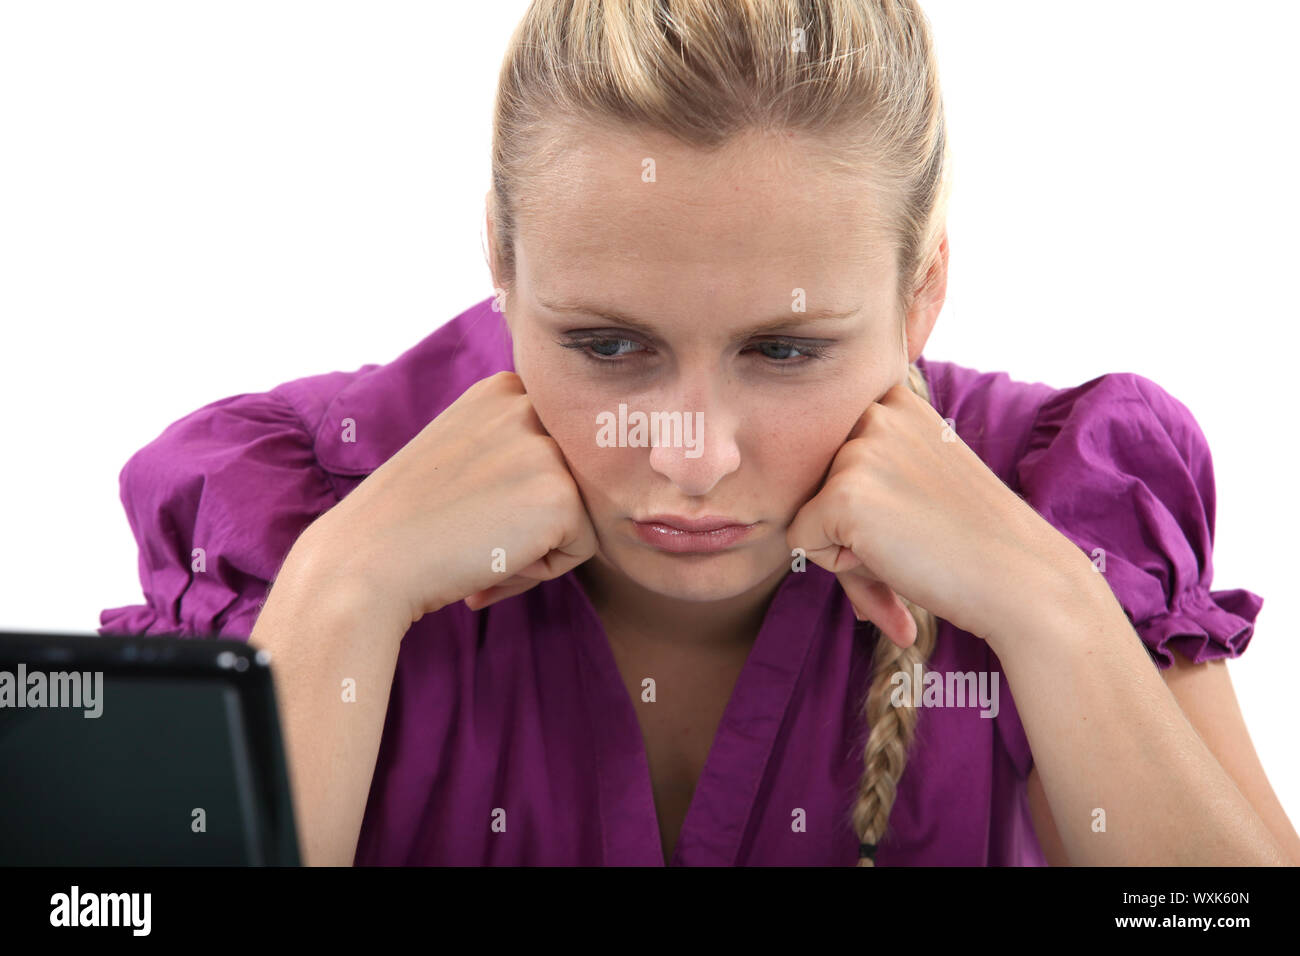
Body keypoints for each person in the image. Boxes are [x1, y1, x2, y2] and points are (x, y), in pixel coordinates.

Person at [100, 0, 1298, 867]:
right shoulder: (295, 500)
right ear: (503, 267)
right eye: (608, 345)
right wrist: (344, 587)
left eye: (783, 351)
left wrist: (1049, 607)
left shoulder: (1066, 496)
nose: (690, 451)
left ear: (921, 294)